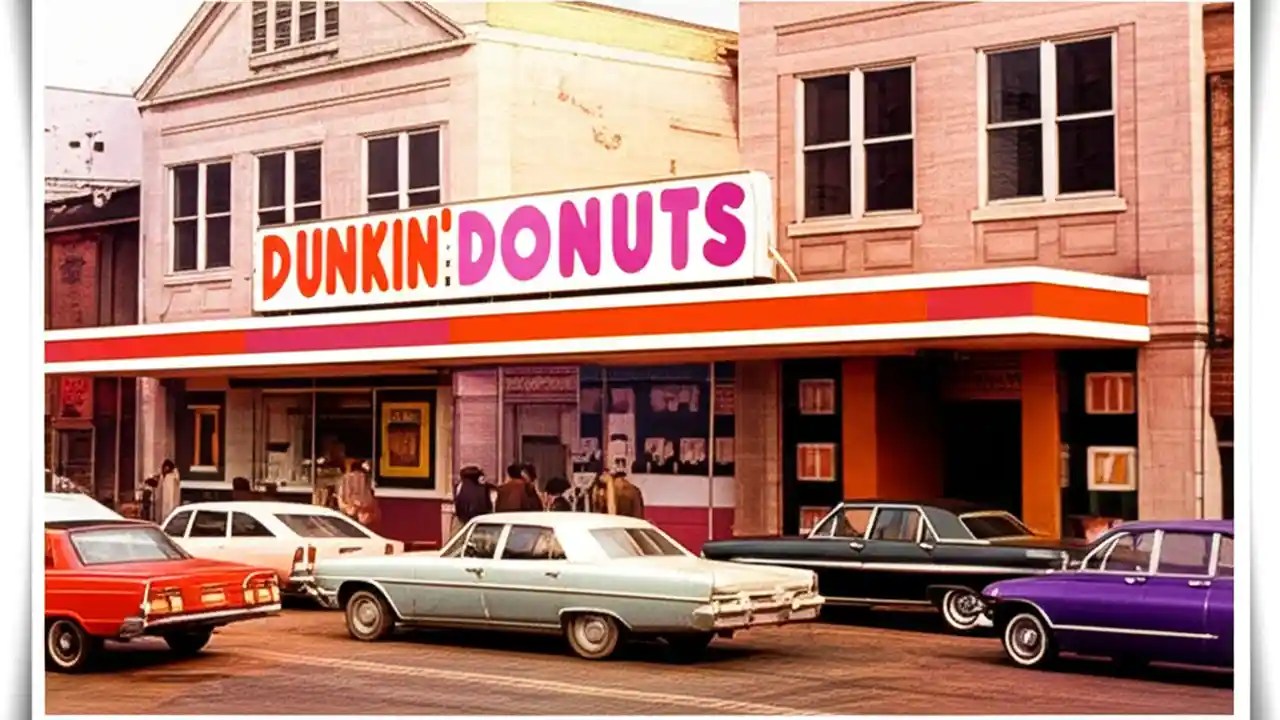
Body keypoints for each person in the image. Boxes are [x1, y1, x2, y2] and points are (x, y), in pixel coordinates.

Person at [451, 465, 491, 539]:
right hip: (478, 522)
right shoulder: (482, 489)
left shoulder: (459, 486)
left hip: (461, 520)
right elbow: (487, 506)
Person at [338, 460, 380, 529]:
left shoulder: (347, 479)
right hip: (357, 514)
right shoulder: (363, 478)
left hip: (353, 513)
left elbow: (342, 497)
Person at [153, 459, 181, 524]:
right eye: (165, 467)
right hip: (164, 498)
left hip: (172, 497)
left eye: (167, 467)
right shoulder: (163, 476)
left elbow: (177, 481)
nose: (166, 468)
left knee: (170, 509)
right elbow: (159, 486)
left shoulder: (174, 473)